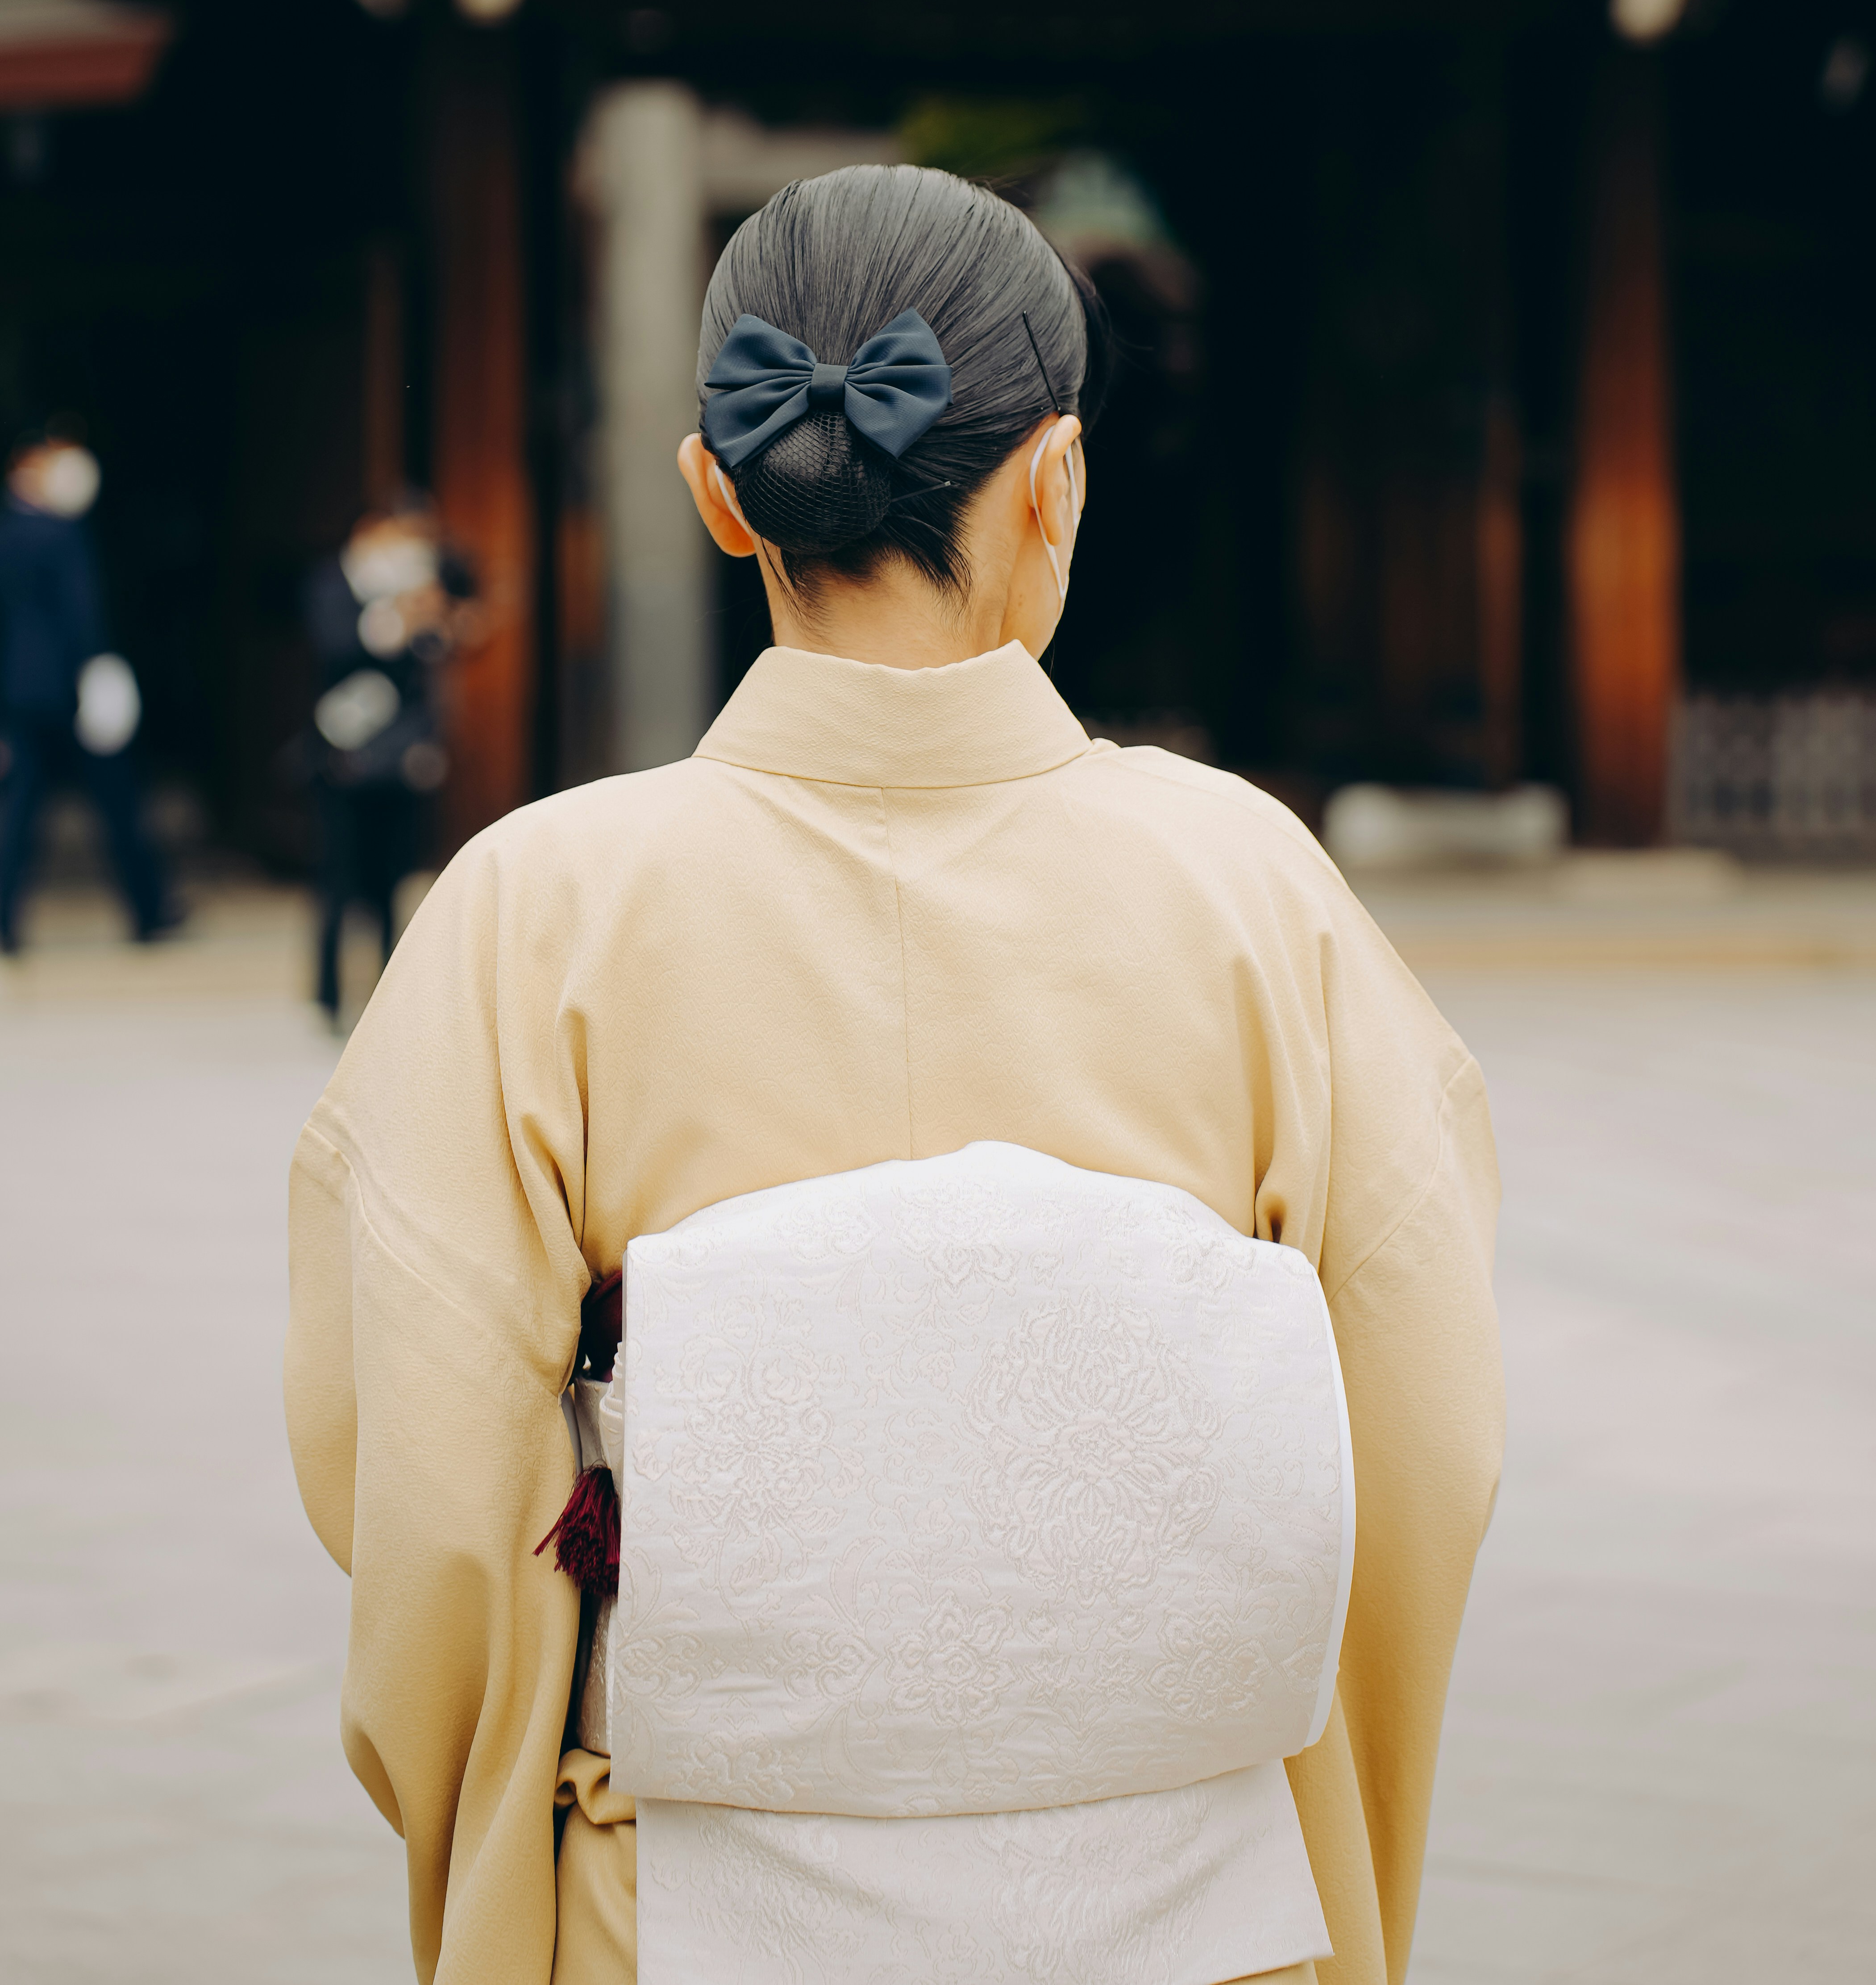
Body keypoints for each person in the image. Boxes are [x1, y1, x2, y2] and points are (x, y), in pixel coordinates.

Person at [286, 167, 1503, 1985]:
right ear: (1055, 477)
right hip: (1186, 1915)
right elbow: (1413, 1462)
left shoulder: (529, 912)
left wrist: (513, 1874)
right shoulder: (1255, 892)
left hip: (672, 1911)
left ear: (716, 490)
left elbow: (435, 1514)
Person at [302, 497, 477, 1024]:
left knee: (391, 881)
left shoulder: (420, 587)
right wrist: (395, 617)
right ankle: (328, 993)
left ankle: (383, 989)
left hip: (401, 759)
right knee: (337, 878)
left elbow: (433, 663)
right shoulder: (333, 585)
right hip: (342, 752)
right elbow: (335, 648)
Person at [0, 432, 171, 953]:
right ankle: (150, 910)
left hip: (22, 694)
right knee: (118, 803)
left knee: (20, 812)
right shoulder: (61, 531)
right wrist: (99, 670)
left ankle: (5, 917)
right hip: (72, 690)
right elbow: (83, 612)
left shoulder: (8, 531)